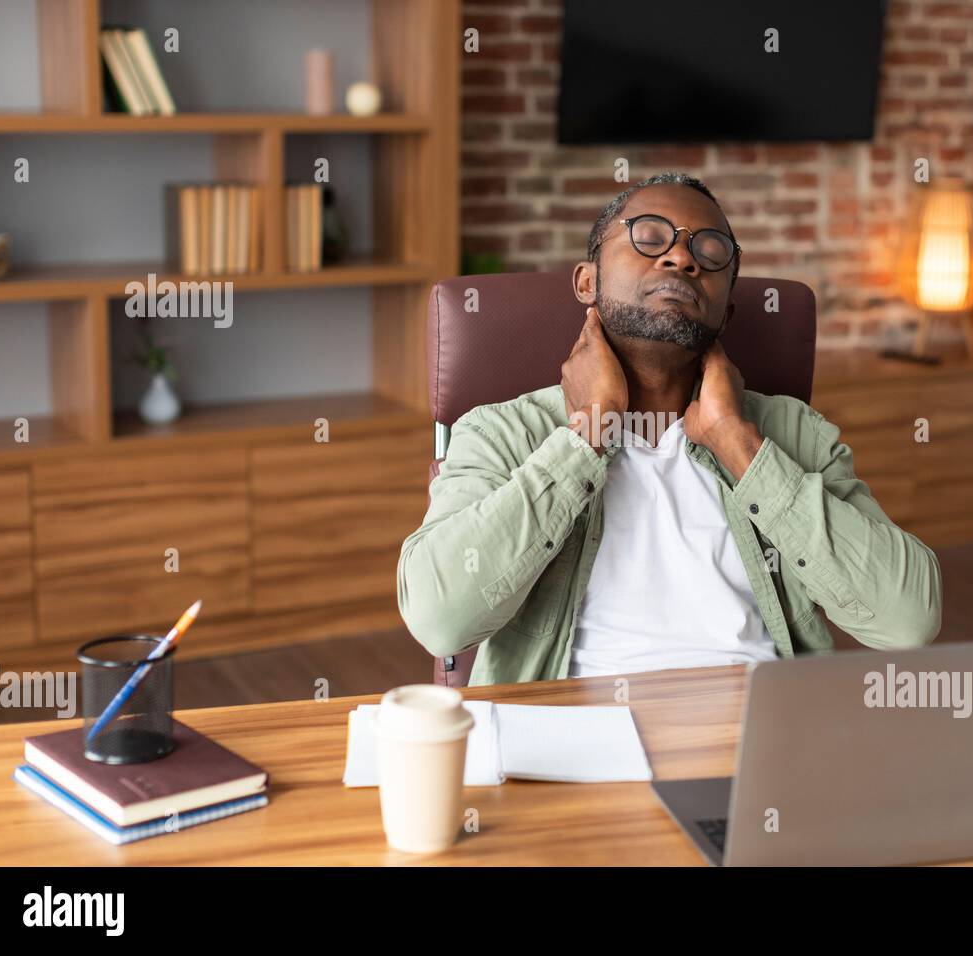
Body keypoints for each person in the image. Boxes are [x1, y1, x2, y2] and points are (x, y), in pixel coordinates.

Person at [398, 172, 942, 686]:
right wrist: (586, 435)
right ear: (588, 281)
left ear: (726, 311)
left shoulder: (792, 431)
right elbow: (440, 620)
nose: (682, 256)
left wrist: (739, 445)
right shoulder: (502, 432)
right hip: (568, 734)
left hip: (758, 734)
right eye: (649, 237)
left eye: (710, 251)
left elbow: (908, 621)